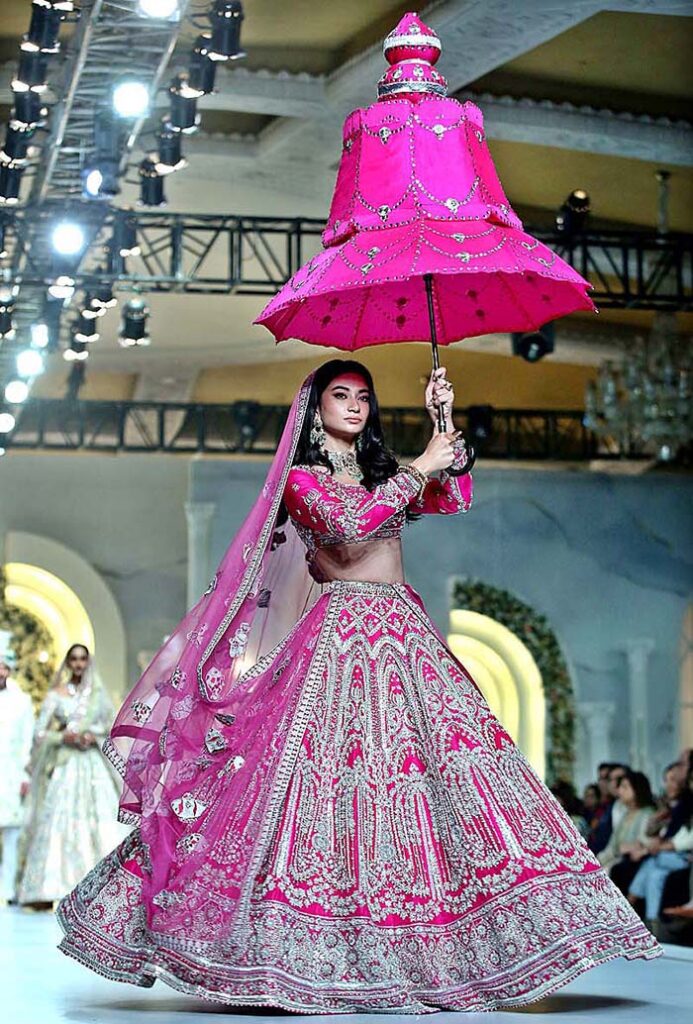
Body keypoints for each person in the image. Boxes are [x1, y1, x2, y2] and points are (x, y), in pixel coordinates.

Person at [57, 362, 660, 1013]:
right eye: (339, 396)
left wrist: (441, 424)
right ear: (315, 411)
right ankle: (292, 946)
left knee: (443, 776)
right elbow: (346, 527)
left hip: (403, 632)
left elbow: (449, 496)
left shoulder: (381, 474)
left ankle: (437, 943)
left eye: (363, 397)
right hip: (339, 635)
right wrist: (418, 464)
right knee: (308, 785)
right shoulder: (301, 479)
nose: (354, 405)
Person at [16, 643, 126, 906]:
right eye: (74, 659)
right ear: (67, 663)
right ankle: (50, 887)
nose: (78, 664)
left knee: (99, 820)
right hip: (66, 765)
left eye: (82, 659)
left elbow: (111, 730)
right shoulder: (57, 694)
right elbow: (39, 733)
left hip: (92, 764)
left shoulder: (98, 695)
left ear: (88, 662)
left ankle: (104, 884)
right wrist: (63, 736)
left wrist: (93, 736)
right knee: (58, 820)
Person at [628, 762, 693, 933]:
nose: (668, 784)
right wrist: (657, 818)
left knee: (652, 860)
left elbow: (683, 841)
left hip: (683, 857)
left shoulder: (686, 806)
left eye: (673, 779)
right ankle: (652, 923)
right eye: (666, 780)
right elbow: (651, 834)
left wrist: (647, 849)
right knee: (654, 875)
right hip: (671, 857)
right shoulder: (670, 808)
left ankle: (630, 905)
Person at [0, 634, 34, 904]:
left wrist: (25, 774)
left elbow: (27, 741)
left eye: (4, 665)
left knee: (12, 834)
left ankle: (8, 888)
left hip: (11, 774)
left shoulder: (21, 701)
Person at [598, 770, 655, 895]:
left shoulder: (647, 814)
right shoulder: (625, 815)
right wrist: (595, 861)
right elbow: (613, 845)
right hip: (617, 857)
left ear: (637, 789)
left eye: (625, 787)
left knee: (614, 871)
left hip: (633, 860)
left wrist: (627, 848)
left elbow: (643, 841)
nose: (620, 791)